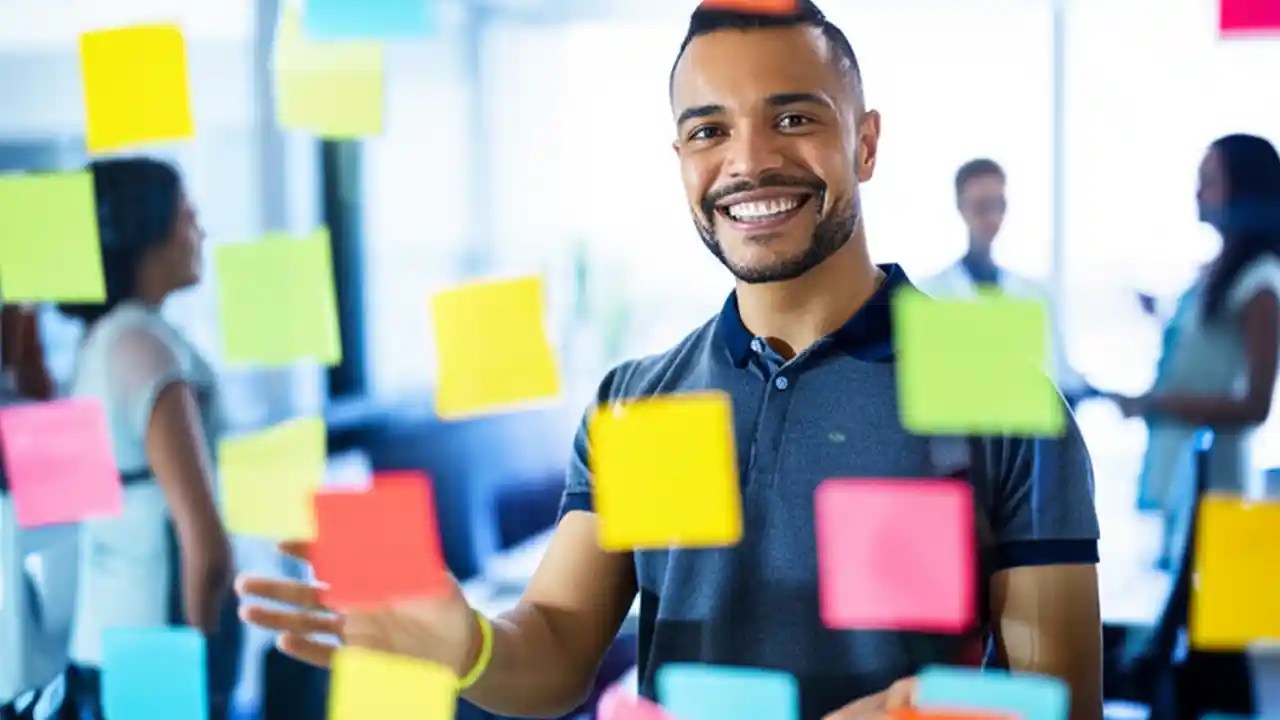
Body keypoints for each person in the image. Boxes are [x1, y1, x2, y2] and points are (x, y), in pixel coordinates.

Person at [237, 4, 1103, 720]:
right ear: (682, 159)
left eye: (794, 118)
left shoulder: (997, 394)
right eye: (708, 130)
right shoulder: (642, 403)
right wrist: (472, 648)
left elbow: (1057, 704)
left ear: (866, 144)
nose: (749, 160)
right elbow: (557, 652)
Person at [56, 158, 239, 720]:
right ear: (147, 230)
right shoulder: (142, 345)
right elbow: (203, 541)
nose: (200, 234)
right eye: (188, 217)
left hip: (101, 635)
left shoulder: (100, 341)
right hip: (156, 649)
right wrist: (204, 656)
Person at [1109, 134, 1280, 703]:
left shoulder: (1261, 282)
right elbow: (1205, 358)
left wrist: (1160, 402)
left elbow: (1255, 403)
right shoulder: (1220, 272)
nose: (1198, 191)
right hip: (1194, 495)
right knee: (1194, 663)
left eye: (1210, 178)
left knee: (1215, 667)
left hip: (1225, 496)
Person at [917, 159, 1091, 405]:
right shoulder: (930, 295)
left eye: (998, 205)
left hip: (1026, 438)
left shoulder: (1035, 297)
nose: (991, 216)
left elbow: (1062, 381)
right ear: (961, 207)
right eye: (980, 205)